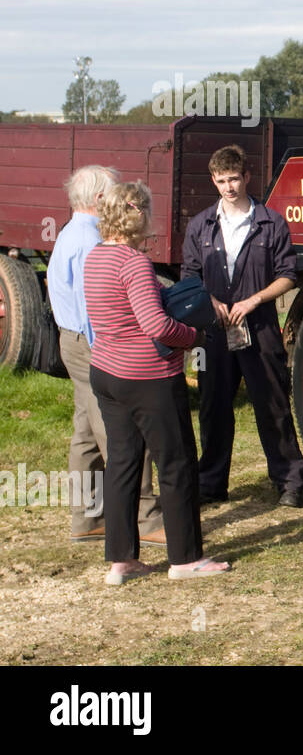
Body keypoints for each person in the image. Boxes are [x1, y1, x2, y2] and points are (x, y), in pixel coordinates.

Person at [84, 181, 229, 583]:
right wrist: (194, 338)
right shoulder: (134, 263)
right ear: (139, 216)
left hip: (107, 372)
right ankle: (184, 559)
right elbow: (156, 325)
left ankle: (121, 561)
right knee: (177, 462)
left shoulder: (94, 258)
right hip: (148, 378)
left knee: (123, 464)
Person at [47, 165, 166, 547]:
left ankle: (87, 516)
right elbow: (98, 304)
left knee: (85, 430)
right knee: (121, 433)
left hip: (73, 340)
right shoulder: (88, 241)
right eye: (114, 196)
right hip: (93, 343)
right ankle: (146, 518)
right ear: (100, 200)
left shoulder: (70, 232)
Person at [182, 145, 303, 508]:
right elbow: (189, 277)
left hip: (261, 327)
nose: (228, 187)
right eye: (221, 181)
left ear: (247, 177)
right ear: (213, 181)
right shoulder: (200, 225)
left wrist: (254, 300)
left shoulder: (272, 222)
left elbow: (288, 275)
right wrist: (213, 303)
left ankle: (290, 483)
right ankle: (210, 484)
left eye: (234, 179)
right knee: (213, 408)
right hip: (215, 332)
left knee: (273, 405)